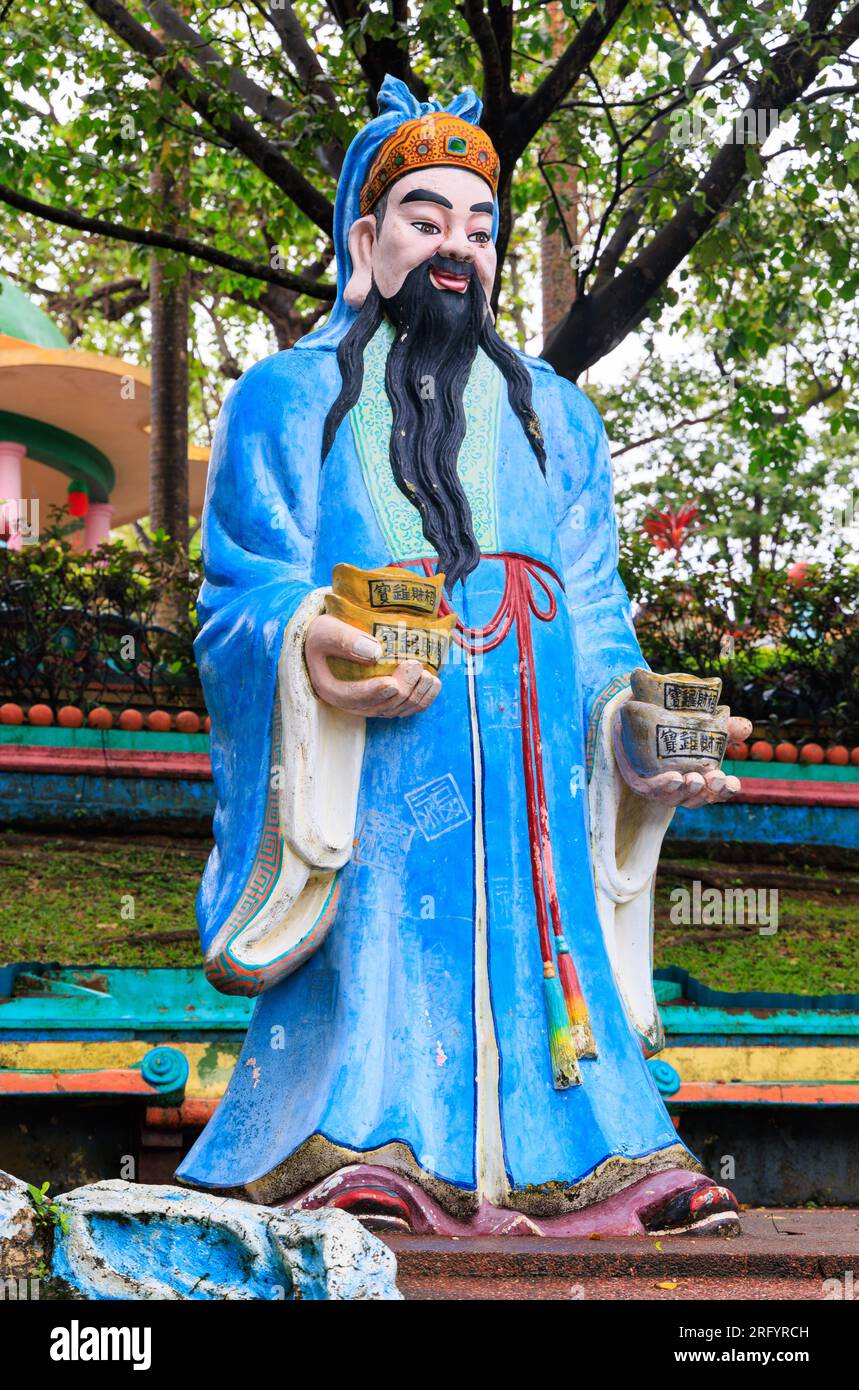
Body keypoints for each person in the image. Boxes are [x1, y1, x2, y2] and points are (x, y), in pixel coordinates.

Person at [178, 77, 750, 1236]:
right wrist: (308, 646)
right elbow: (241, 594)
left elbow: (595, 606)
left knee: (552, 927)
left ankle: (603, 1149)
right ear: (365, 237)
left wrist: (640, 728)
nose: (458, 247)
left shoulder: (557, 416)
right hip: (387, 754)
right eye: (426, 218)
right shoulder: (286, 402)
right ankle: (363, 1137)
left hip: (539, 752)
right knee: (388, 922)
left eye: (480, 227)